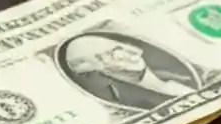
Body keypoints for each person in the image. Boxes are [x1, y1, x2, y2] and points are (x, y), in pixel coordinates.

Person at [62, 34, 198, 110]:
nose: (125, 53)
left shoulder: (180, 76)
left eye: (118, 47)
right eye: (104, 56)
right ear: (98, 73)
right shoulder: (133, 103)